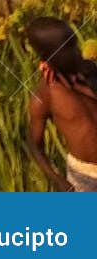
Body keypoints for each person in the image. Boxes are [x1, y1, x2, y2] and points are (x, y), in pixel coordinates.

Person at [25, 16, 97, 191]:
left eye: (74, 42)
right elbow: (34, 145)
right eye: (68, 48)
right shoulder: (45, 96)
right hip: (86, 177)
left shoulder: (90, 70)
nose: (77, 51)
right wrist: (58, 180)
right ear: (47, 56)